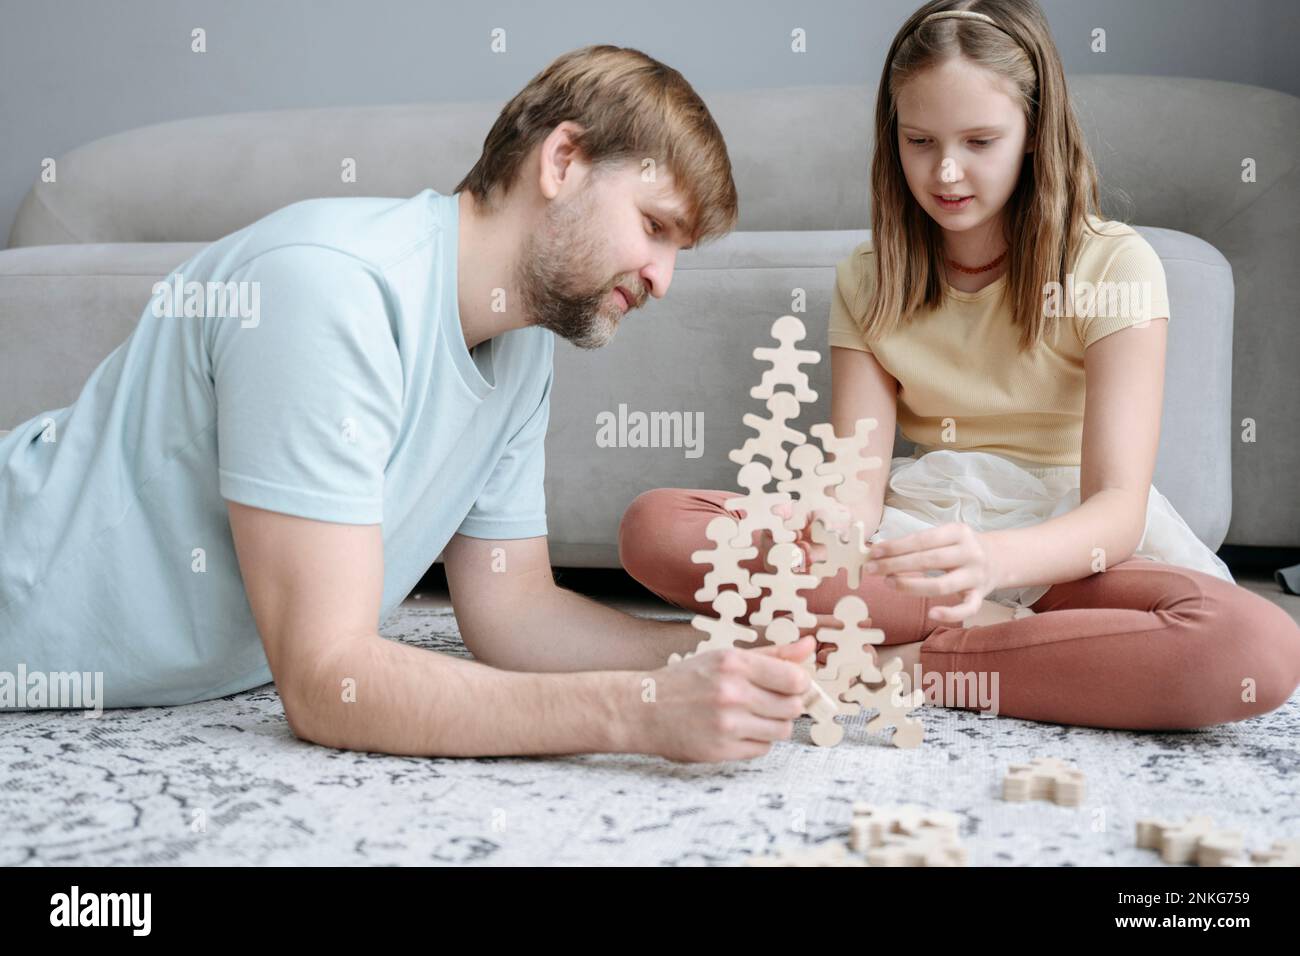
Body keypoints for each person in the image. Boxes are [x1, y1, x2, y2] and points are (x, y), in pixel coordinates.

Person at [0, 45, 818, 763]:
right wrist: (636, 715)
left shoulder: (523, 342)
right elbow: (329, 682)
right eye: (654, 226)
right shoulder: (326, 288)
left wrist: (718, 656)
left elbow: (515, 612)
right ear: (562, 160)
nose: (663, 279)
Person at [618, 1, 1300, 730]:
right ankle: (1006, 649)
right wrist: (822, 519)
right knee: (657, 528)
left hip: (1065, 548)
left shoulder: (1115, 263)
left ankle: (903, 665)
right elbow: (859, 492)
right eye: (919, 141)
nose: (945, 172)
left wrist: (996, 564)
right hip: (917, 546)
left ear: (1035, 132)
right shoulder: (869, 277)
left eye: (980, 141)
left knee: (1255, 645)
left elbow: (1117, 511)